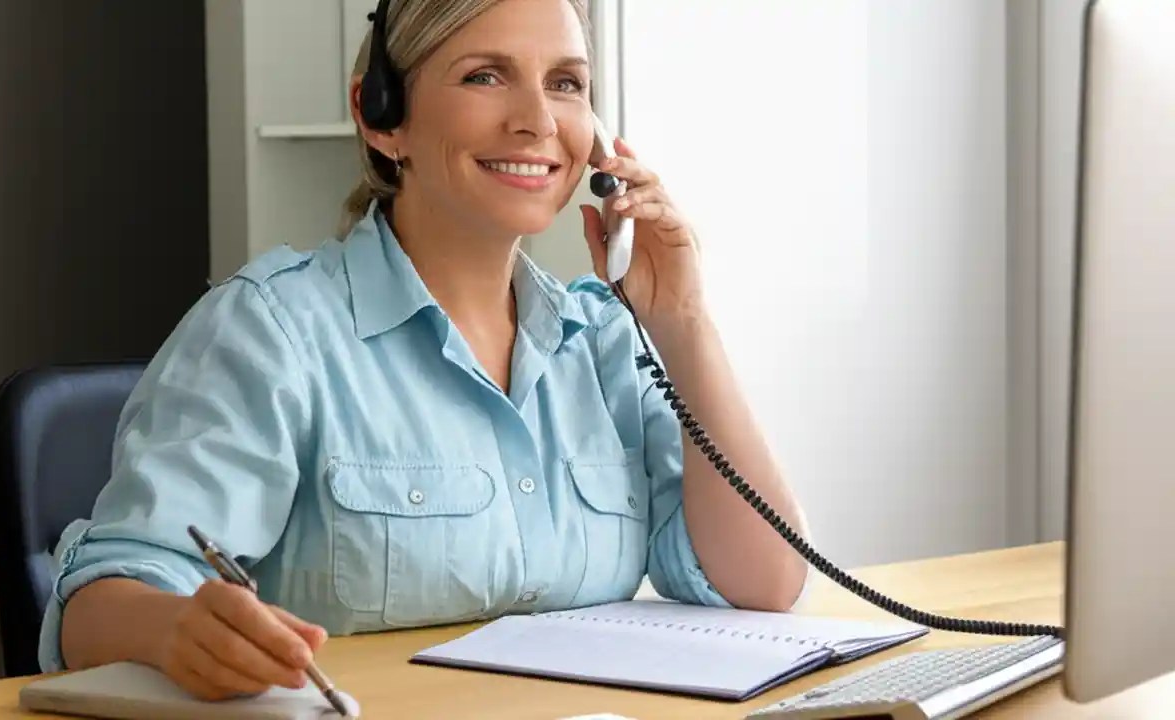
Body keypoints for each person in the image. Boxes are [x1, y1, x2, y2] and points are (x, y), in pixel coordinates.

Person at [40, 0, 810, 702]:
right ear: (383, 117)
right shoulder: (270, 330)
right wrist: (175, 630)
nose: (538, 120)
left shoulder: (604, 340)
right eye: (484, 75)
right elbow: (98, 602)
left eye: (567, 84)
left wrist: (683, 319)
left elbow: (763, 580)